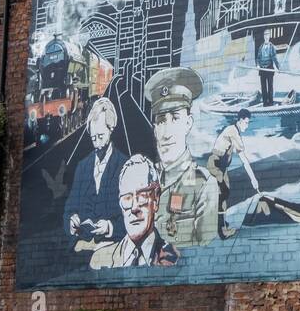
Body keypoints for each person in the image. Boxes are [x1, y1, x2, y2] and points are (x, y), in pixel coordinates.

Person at [144, 66, 221, 248]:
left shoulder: (203, 185)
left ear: (188, 123)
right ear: (155, 129)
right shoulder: (143, 180)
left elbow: (205, 253)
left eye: (175, 118)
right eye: (161, 120)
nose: (167, 132)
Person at [90, 155, 180, 269]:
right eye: (127, 198)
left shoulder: (174, 259)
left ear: (156, 199)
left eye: (142, 195)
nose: (134, 208)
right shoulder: (99, 261)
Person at [63, 97, 126, 253]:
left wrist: (109, 227)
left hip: (112, 247)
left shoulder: (124, 165)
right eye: (93, 138)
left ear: (111, 129)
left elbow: (135, 216)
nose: (97, 143)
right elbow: (69, 209)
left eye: (101, 136)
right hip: (82, 248)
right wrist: (71, 221)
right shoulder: (82, 167)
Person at [206, 108, 259, 239]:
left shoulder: (233, 131)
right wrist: (253, 179)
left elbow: (242, 158)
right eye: (246, 122)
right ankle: (222, 230)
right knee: (223, 194)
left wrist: (253, 179)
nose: (247, 125)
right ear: (240, 121)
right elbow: (243, 158)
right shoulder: (233, 132)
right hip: (216, 165)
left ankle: (221, 222)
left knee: (225, 193)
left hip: (222, 167)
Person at [256, 29, 278, 107]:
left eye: (268, 34)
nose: (266, 36)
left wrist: (278, 68)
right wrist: (258, 65)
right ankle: (265, 103)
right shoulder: (261, 47)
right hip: (262, 70)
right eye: (265, 34)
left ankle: (271, 103)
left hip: (269, 69)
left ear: (269, 36)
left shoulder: (272, 47)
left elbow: (274, 58)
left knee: (270, 87)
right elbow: (258, 58)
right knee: (263, 87)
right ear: (263, 36)